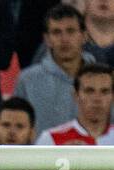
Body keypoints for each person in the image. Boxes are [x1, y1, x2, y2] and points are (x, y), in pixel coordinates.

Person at [14, 3, 94, 136]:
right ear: (47, 39)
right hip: (41, 155)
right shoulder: (27, 80)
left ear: (84, 36)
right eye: (57, 32)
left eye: (71, 31)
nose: (64, 39)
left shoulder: (104, 79)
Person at [35, 61, 114, 145]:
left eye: (105, 91)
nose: (97, 99)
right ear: (76, 95)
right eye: (89, 91)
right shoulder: (51, 139)